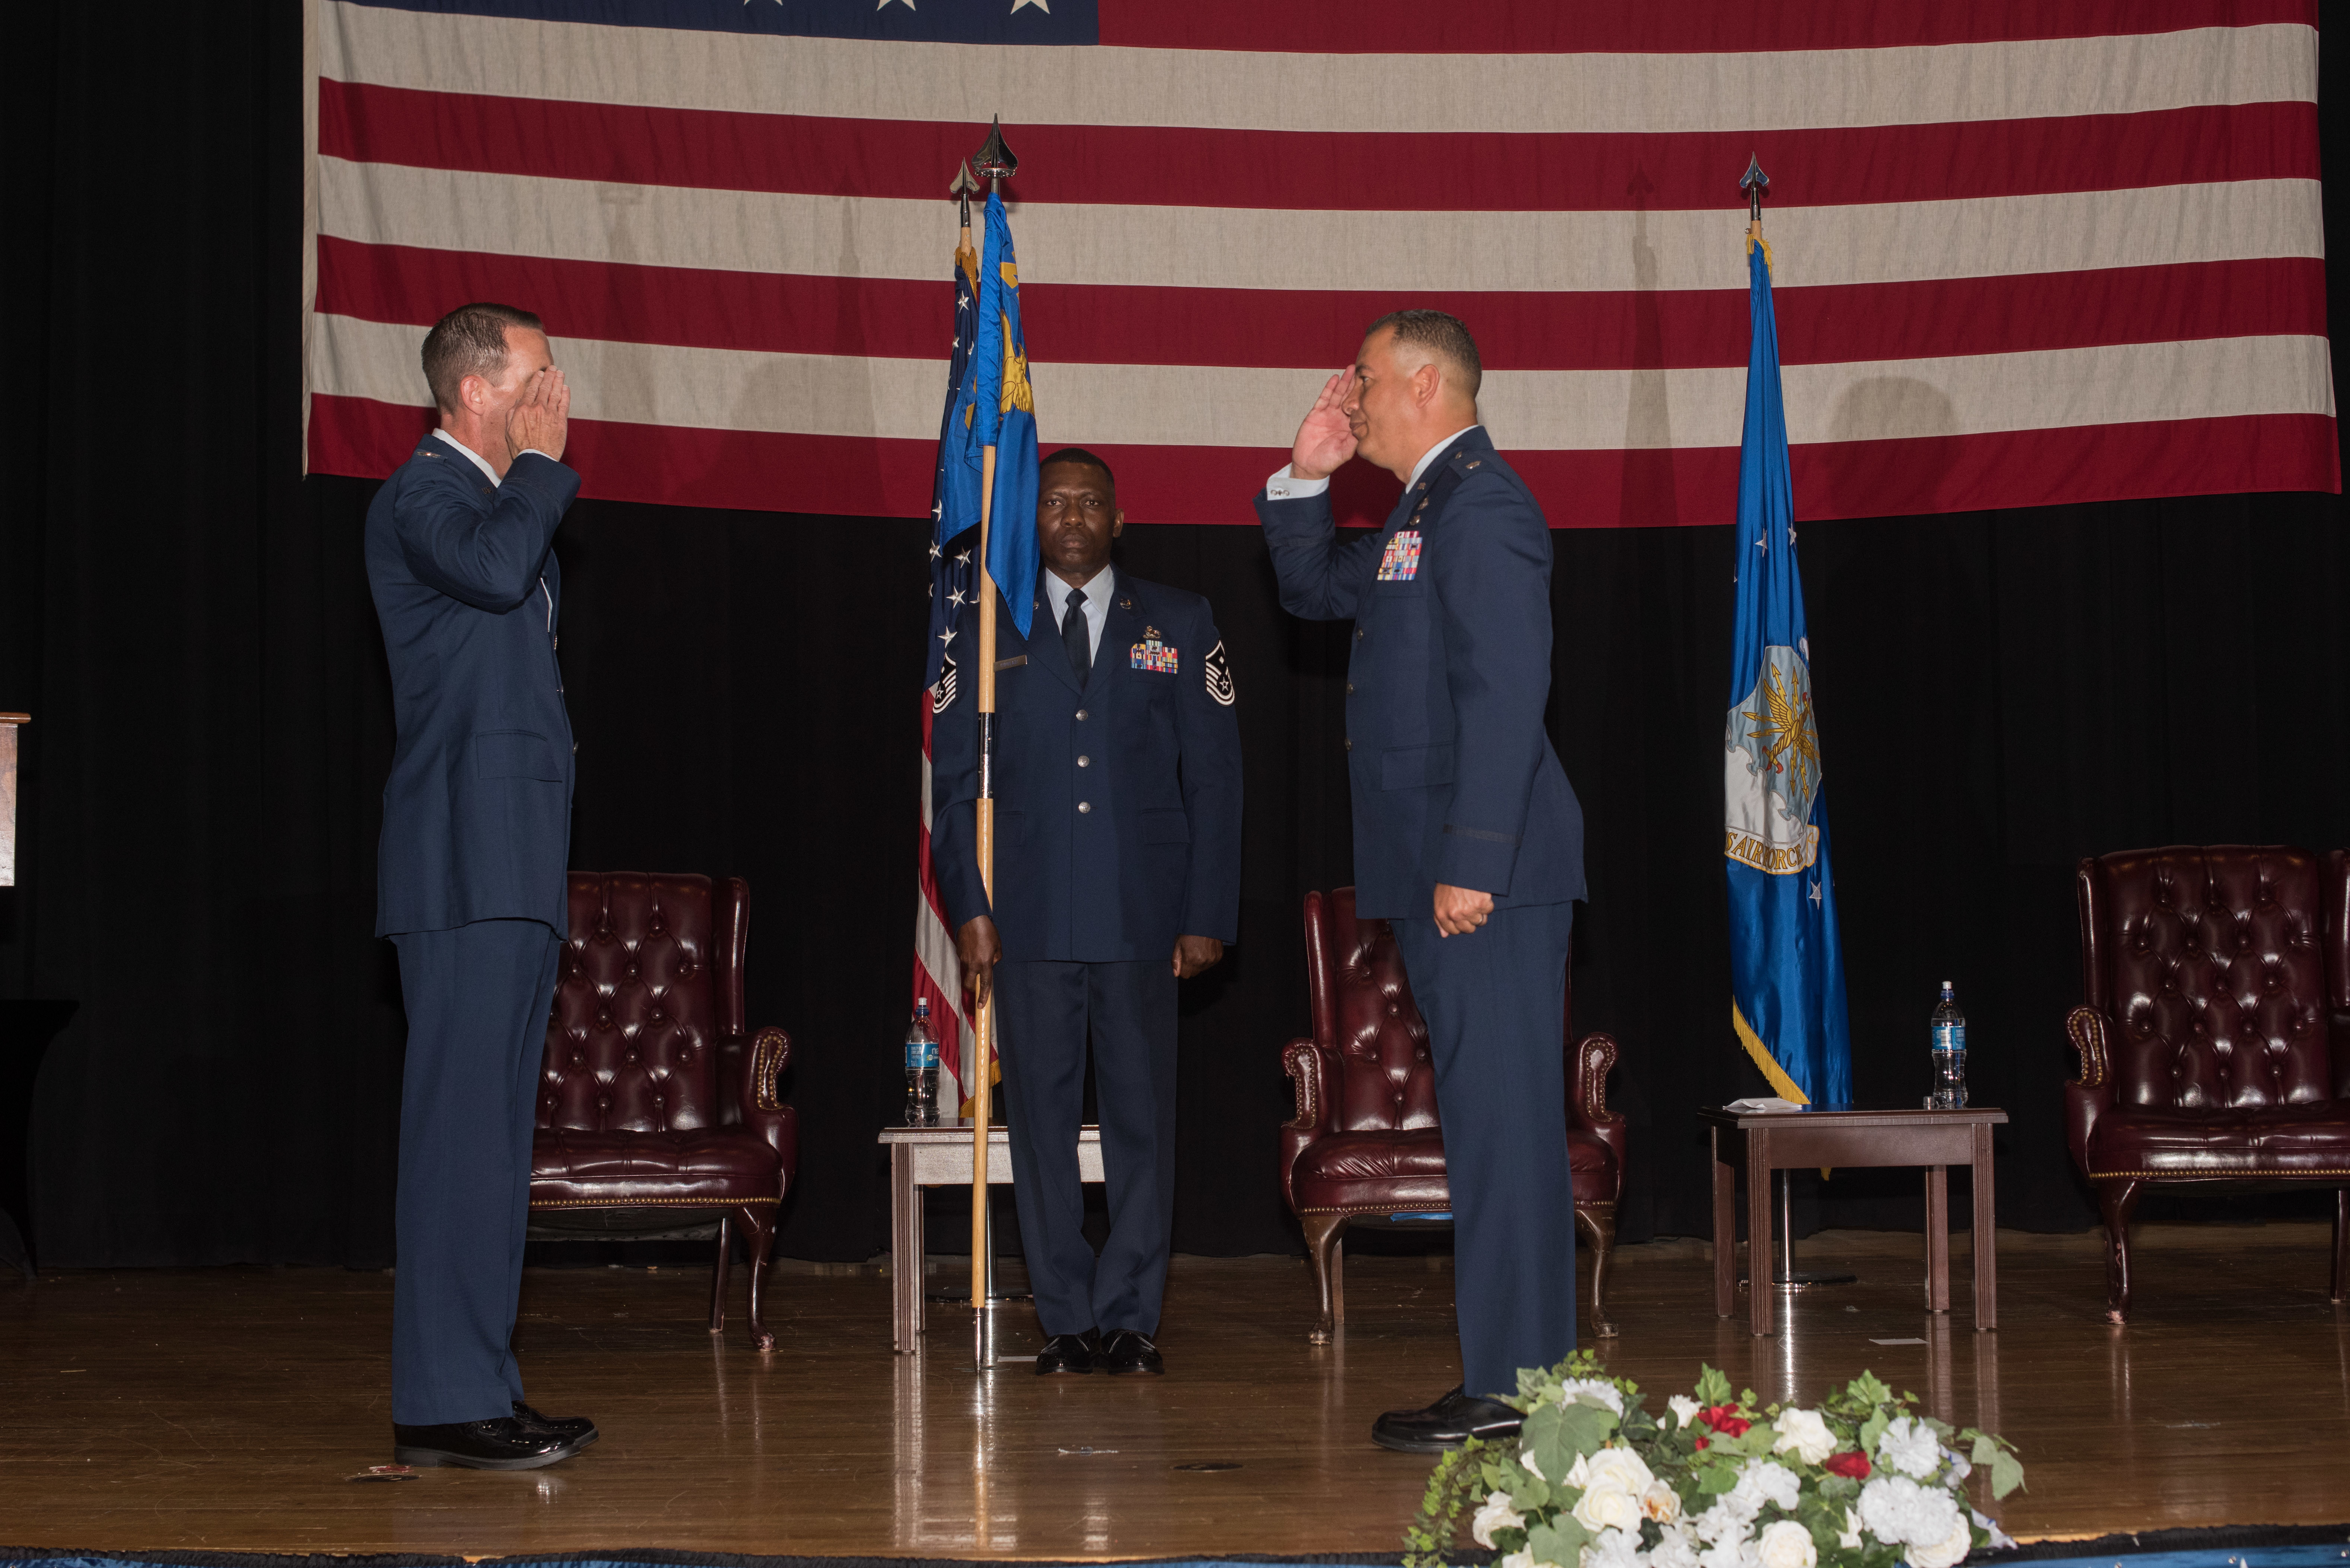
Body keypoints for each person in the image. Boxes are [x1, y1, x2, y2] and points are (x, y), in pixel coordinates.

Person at [1257, 311, 1585, 1451]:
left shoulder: (1485, 503)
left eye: (1362, 380)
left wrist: (1470, 856)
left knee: (1504, 1127)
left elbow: (1506, 689)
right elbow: (1311, 592)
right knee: (1488, 1126)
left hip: (1482, 871)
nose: (1351, 397)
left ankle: (1523, 1383)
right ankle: (1511, 1371)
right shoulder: (1420, 508)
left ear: (1426, 381)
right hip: (1452, 867)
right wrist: (1305, 478)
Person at [931, 448, 1243, 1377]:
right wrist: (969, 907)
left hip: (1143, 918)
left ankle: (1131, 1316)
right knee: (1041, 1128)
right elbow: (955, 787)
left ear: (1119, 521)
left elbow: (1216, 780)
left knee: (1144, 1125)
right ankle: (1065, 1317)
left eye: (1089, 503)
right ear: (1035, 522)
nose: (1070, 515)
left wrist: (1207, 912)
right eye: (1055, 502)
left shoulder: (1181, 622)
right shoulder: (987, 624)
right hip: (1022, 920)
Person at [365, 302, 597, 1469]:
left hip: (510, 862)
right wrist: (545, 471)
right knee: (459, 1134)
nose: (556, 400)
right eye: (539, 381)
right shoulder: (424, 497)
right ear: (475, 394)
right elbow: (500, 574)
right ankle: (443, 1397)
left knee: (495, 1143)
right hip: (461, 859)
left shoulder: (498, 506)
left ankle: (481, 1384)